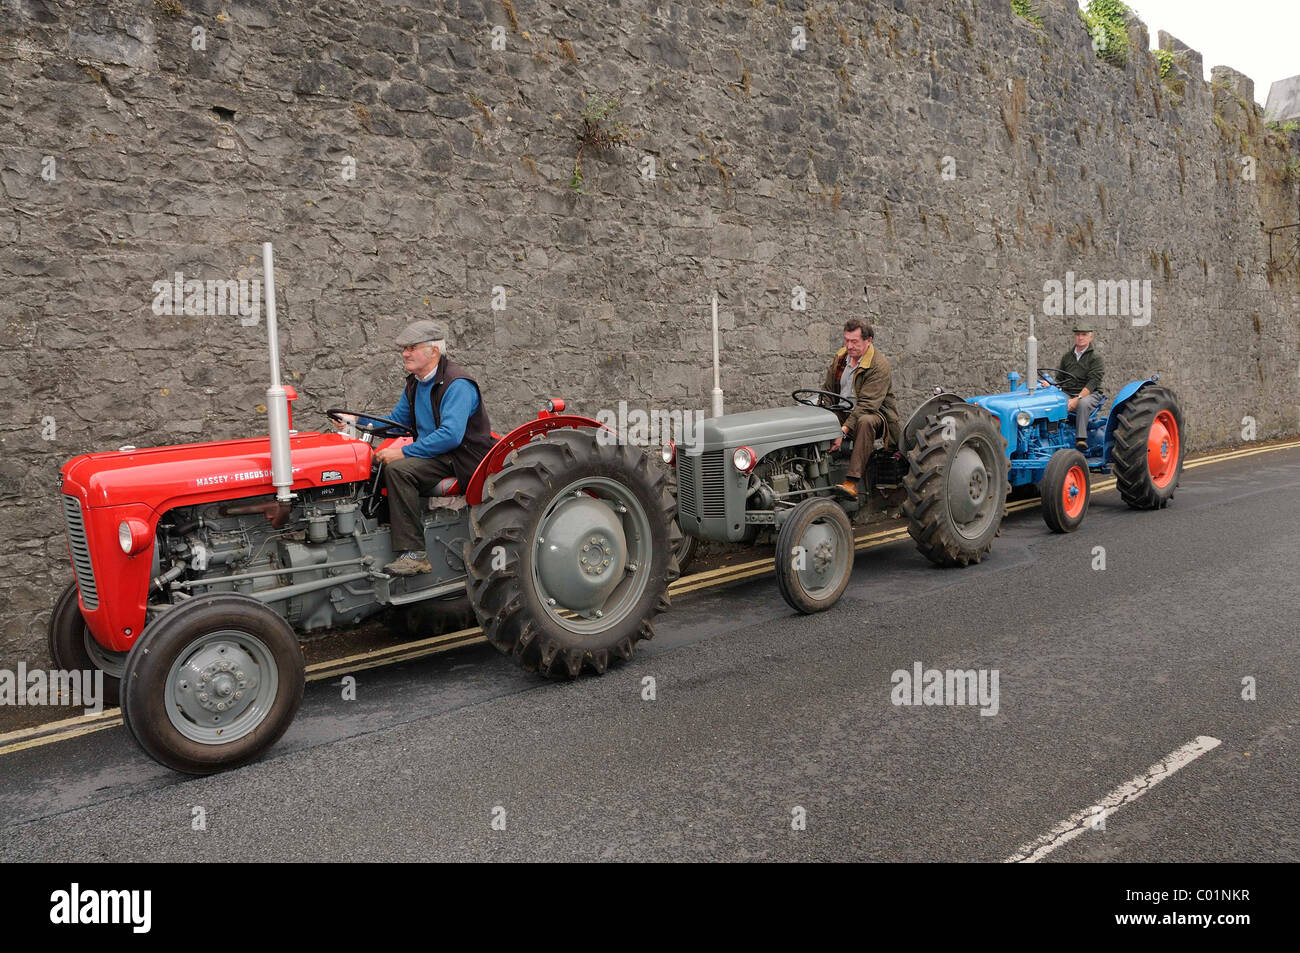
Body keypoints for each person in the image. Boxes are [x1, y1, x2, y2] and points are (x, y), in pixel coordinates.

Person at [345, 321, 495, 576]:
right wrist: (356, 421)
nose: (405, 353)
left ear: (433, 351)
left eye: (411, 348)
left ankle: (415, 554)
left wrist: (402, 452)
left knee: (400, 470)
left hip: (463, 459)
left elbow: (450, 436)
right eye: (404, 348)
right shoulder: (416, 384)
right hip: (437, 455)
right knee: (375, 465)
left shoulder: (457, 384)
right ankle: (375, 535)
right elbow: (397, 423)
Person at [822, 317, 901, 499]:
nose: (849, 346)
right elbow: (827, 390)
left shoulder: (879, 365)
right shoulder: (841, 358)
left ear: (868, 341)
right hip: (842, 411)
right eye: (847, 340)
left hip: (876, 415)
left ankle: (852, 482)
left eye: (854, 341)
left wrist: (841, 431)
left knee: (865, 422)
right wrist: (826, 417)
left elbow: (867, 405)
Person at [1058, 321, 1104, 452]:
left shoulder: (1096, 358)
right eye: (1078, 334)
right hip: (1069, 392)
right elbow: (1060, 379)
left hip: (1091, 394)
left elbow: (1093, 383)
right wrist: (1051, 386)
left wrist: (1077, 398)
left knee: (1082, 403)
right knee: (1054, 401)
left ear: (1091, 337)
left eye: (1084, 334)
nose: (1080, 337)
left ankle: (1081, 439)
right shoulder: (1067, 357)